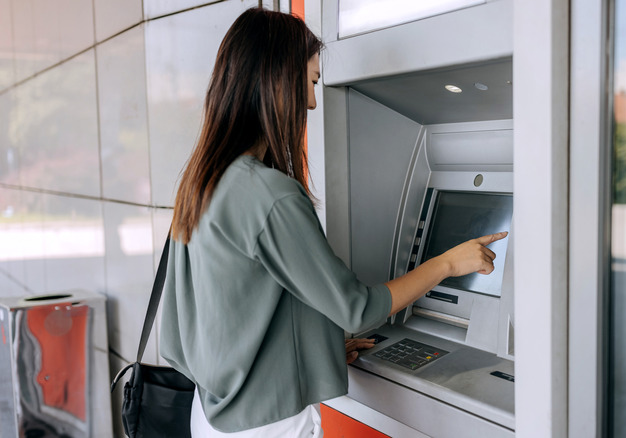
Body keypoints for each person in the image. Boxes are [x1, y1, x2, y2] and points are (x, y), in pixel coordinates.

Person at [159, 7, 508, 437]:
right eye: (310, 82)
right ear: (277, 83)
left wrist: (311, 350)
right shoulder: (270, 195)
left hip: (214, 416)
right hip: (271, 426)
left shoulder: (202, 183)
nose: (311, 101)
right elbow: (357, 308)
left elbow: (218, 317)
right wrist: (448, 264)